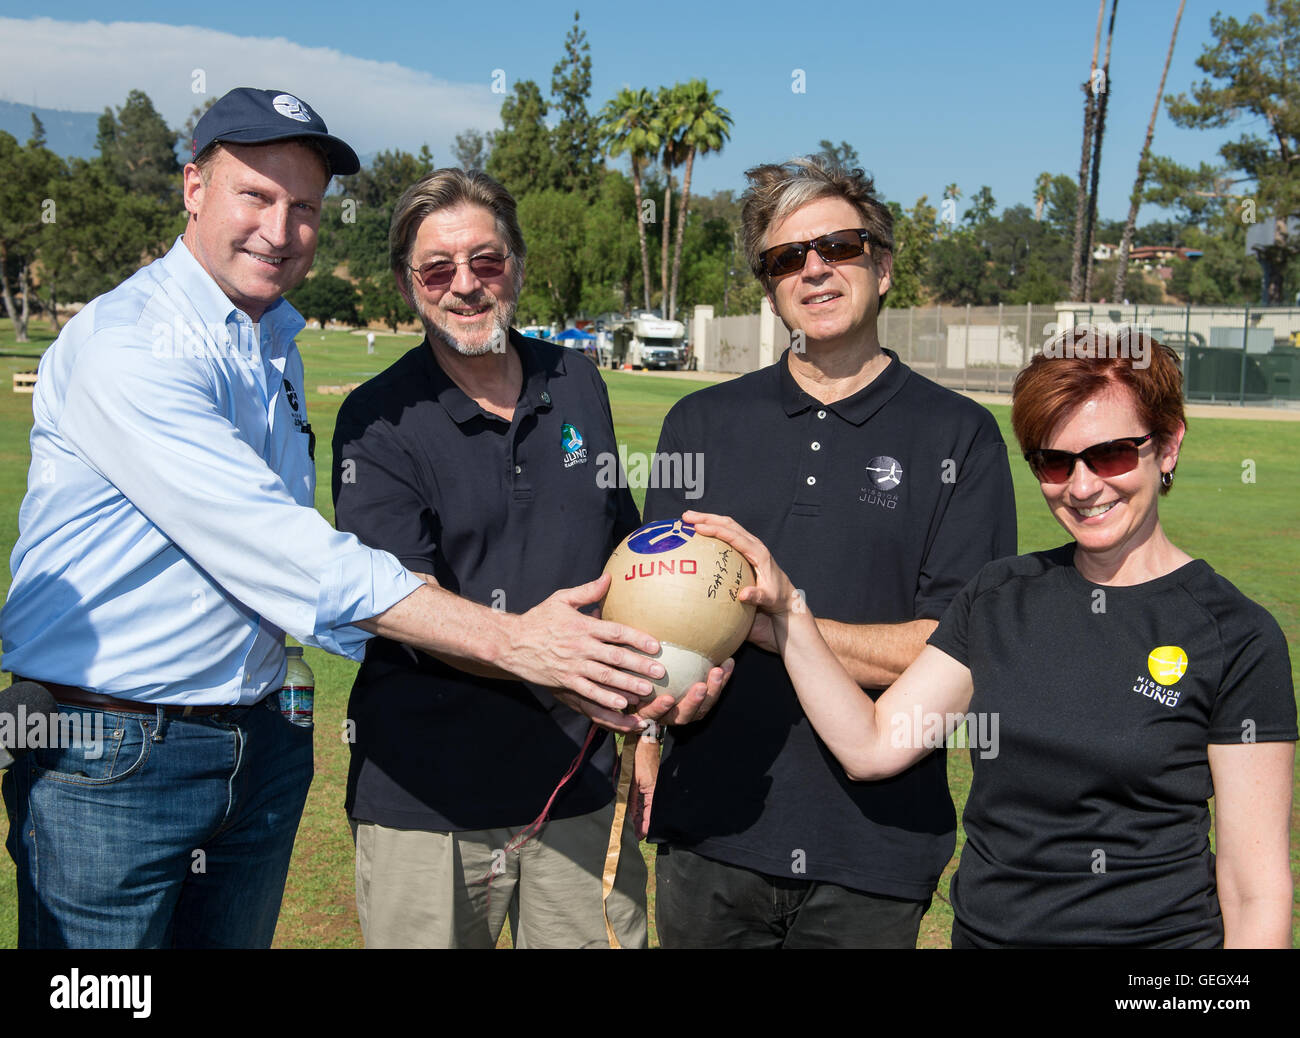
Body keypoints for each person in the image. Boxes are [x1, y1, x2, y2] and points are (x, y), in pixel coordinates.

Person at [0, 89, 672, 949]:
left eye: (304, 208)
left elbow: (314, 587)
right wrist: (513, 643)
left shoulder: (265, 345)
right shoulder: (130, 342)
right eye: (256, 195)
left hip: (254, 741)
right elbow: (284, 553)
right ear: (193, 188)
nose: (279, 230)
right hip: (117, 753)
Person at [697, 327, 1297, 947]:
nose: (1083, 487)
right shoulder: (1001, 595)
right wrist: (788, 609)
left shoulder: (1236, 635)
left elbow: (1255, 888)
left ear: (1167, 446)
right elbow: (872, 746)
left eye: (1112, 454)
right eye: (1055, 462)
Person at [330, 168, 725, 950]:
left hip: (578, 786)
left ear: (517, 263)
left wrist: (655, 710)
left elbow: (621, 564)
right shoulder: (377, 417)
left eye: (487, 260)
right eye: (437, 269)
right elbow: (400, 600)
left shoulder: (575, 380)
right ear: (409, 285)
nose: (465, 286)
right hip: (427, 800)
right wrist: (540, 651)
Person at [640, 157, 1018, 948]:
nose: (814, 268)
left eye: (839, 246)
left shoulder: (960, 436)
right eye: (786, 258)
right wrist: (646, 728)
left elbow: (951, 645)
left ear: (881, 266)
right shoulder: (699, 426)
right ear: (771, 287)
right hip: (709, 832)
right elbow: (657, 625)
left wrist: (772, 621)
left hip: (872, 851)